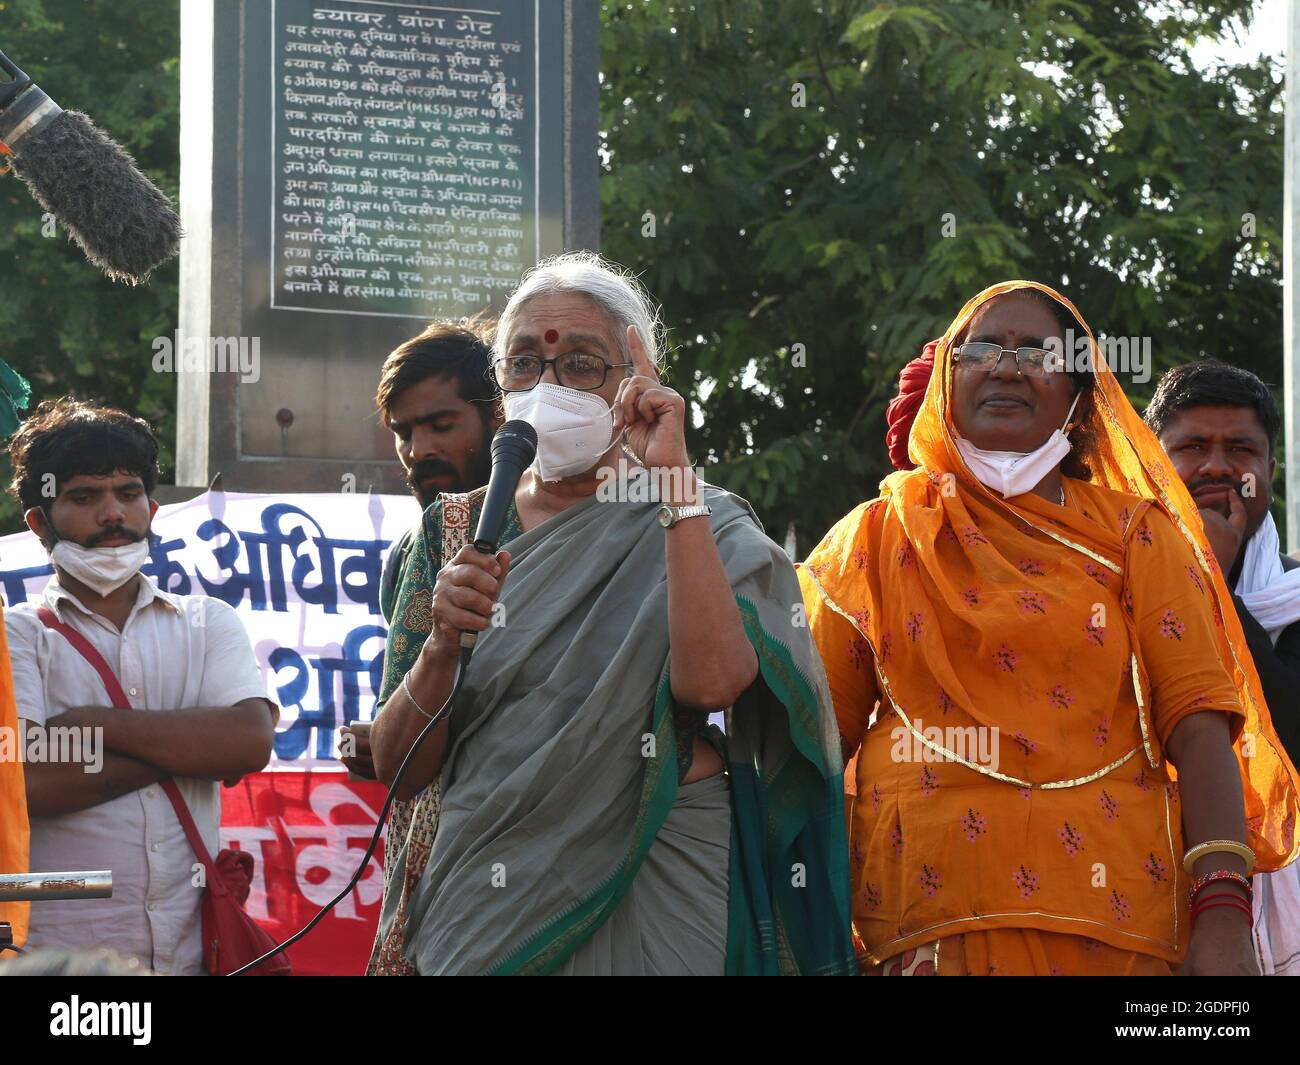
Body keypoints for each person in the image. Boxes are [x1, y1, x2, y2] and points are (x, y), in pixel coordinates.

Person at [368, 251, 854, 975]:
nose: (550, 385)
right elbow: (397, 766)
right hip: (492, 876)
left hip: (657, 859)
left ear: (638, 381)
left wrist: (672, 486)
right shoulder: (450, 532)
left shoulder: (705, 517)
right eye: (525, 363)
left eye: (583, 365)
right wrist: (441, 644)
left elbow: (714, 683)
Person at [803, 280, 1299, 975]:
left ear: (1078, 396)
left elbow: (1200, 721)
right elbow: (812, 745)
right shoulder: (876, 538)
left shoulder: (1137, 537)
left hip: (1117, 937)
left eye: (1038, 350)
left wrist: (1222, 913)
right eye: (983, 348)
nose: (1008, 364)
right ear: (947, 379)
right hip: (919, 936)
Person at [3, 400, 277, 975]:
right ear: (38, 522)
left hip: (190, 954)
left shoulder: (209, 621)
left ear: (152, 507)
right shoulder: (16, 635)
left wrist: (93, 725)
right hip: (56, 958)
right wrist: (192, 751)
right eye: (84, 497)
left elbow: (248, 744)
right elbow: (26, 782)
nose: (112, 514)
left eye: (127, 493)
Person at [343, 317, 500, 974]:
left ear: (499, 416)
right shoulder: (422, 541)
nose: (418, 448)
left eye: (441, 424)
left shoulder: (580, 517)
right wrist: (382, 738)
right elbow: (405, 739)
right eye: (405, 432)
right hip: (443, 853)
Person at [1145, 360, 1300, 974]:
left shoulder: (1294, 594)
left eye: (1241, 449)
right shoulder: (1104, 586)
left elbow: (1289, 737)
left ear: (1268, 471)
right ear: (1153, 463)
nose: (1216, 466)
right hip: (1137, 889)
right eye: (1192, 447)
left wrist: (1209, 585)